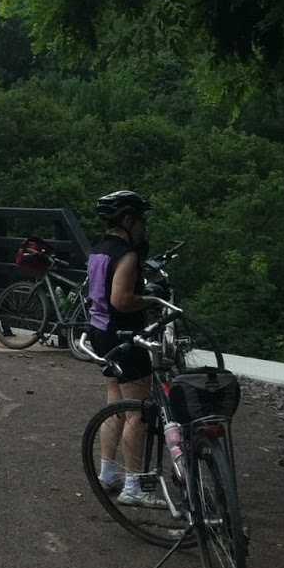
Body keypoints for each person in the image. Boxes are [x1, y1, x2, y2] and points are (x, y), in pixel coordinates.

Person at [86, 189, 163, 507]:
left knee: (114, 406)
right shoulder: (127, 255)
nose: (145, 227)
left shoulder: (99, 249)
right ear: (128, 220)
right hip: (125, 337)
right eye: (141, 219)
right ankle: (134, 486)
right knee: (139, 413)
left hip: (100, 333)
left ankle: (107, 473)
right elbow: (121, 299)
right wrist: (152, 300)